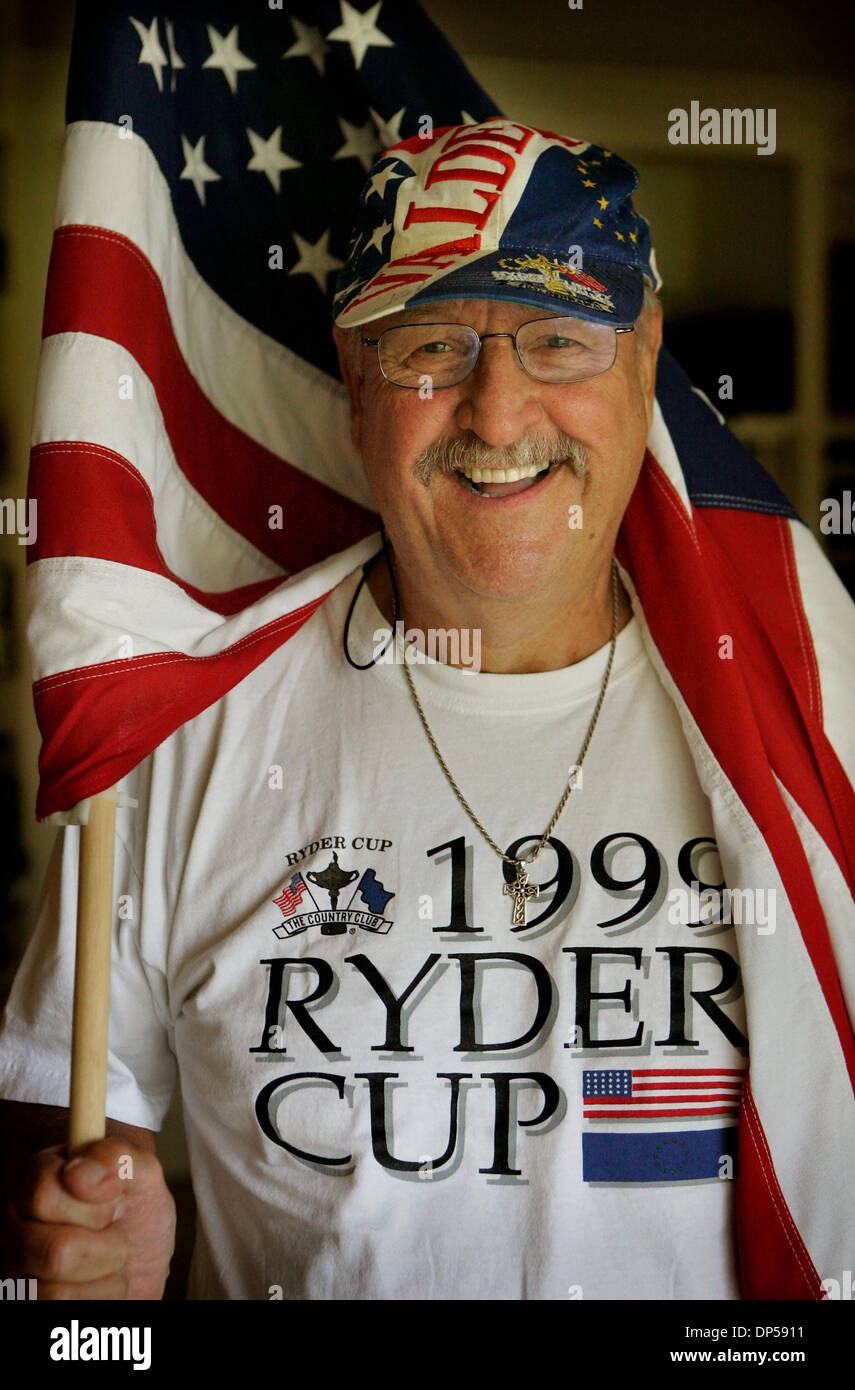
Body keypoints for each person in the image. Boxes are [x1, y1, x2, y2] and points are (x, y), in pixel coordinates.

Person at [0, 120, 853, 1301]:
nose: (497, 416)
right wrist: (101, 1279)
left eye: (558, 340)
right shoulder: (183, 729)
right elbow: (64, 1124)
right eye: (432, 348)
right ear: (354, 379)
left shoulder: (807, 721)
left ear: (645, 359)